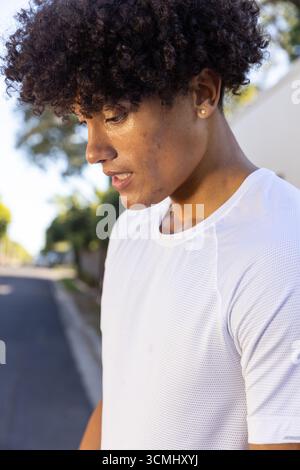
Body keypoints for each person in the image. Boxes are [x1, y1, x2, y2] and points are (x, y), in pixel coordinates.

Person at [2, 0, 300, 450]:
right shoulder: (129, 230)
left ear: (202, 94)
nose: (93, 150)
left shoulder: (281, 250)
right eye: (85, 122)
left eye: (115, 116)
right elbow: (118, 399)